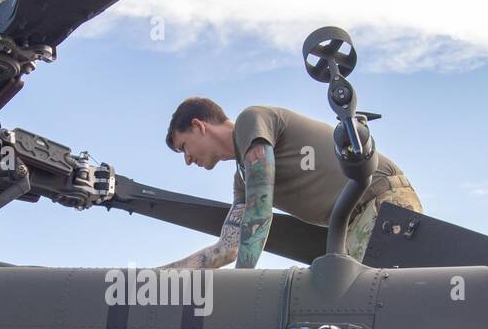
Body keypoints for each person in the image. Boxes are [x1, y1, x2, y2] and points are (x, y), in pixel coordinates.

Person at [162, 97, 421, 268]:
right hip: (354, 223)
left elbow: (259, 209)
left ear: (199, 126)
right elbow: (229, 247)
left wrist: (243, 284)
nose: (187, 160)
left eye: (184, 146)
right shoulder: (242, 179)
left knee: (370, 304)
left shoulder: (250, 121)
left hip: (380, 203)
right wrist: (154, 277)